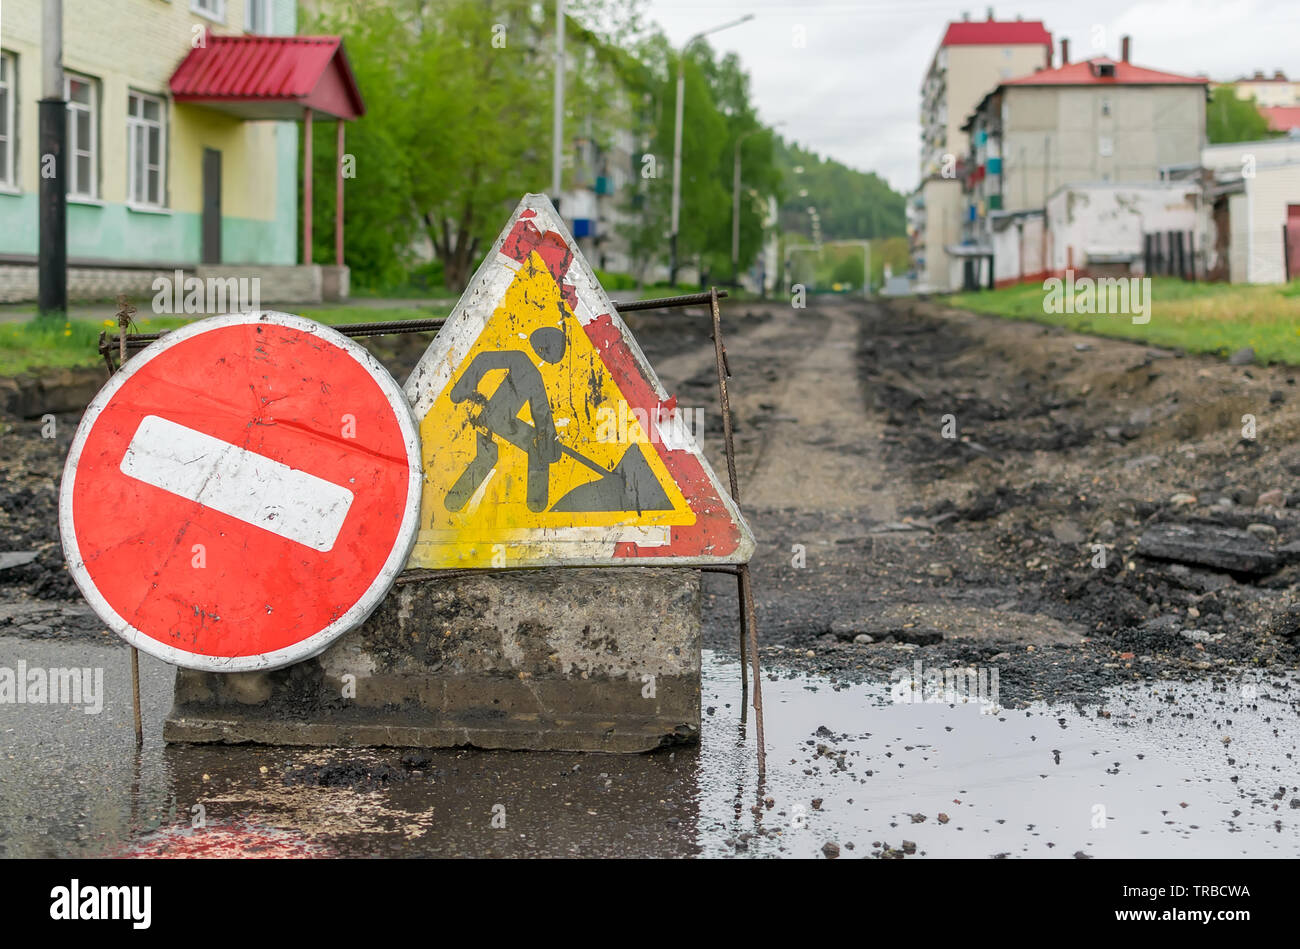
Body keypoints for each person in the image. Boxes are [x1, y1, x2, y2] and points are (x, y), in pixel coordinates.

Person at [444, 326, 567, 513]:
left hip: (503, 421)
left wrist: (549, 439)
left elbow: (541, 412)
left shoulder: (535, 376)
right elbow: (483, 360)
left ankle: (536, 504)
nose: (560, 354)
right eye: (558, 348)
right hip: (494, 417)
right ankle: (536, 503)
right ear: (544, 347)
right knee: (500, 453)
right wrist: (461, 390)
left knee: (494, 455)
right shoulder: (520, 359)